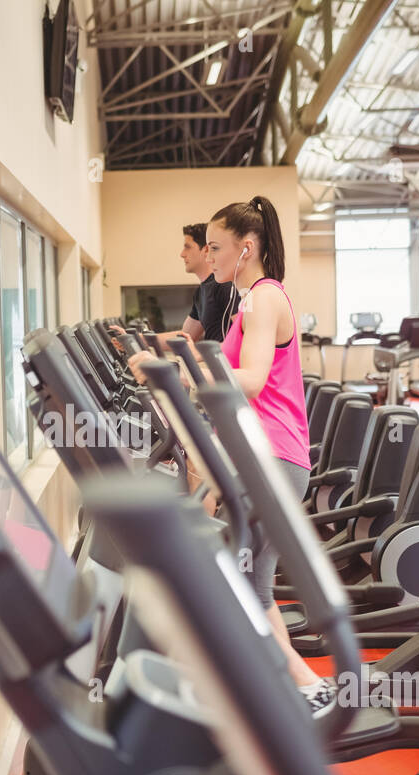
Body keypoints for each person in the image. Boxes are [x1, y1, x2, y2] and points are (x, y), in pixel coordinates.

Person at [131, 197, 335, 717]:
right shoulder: (250, 301)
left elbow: (252, 378)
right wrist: (179, 360)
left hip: (274, 455)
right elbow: (223, 364)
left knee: (246, 583)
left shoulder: (264, 299)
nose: (209, 256)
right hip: (261, 453)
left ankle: (291, 689)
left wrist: (177, 373)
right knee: (249, 584)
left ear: (246, 250)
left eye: (217, 248)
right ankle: (300, 687)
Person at [179, 223, 232, 343]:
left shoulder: (224, 284)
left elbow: (244, 337)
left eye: (187, 247)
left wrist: (198, 354)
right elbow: (184, 337)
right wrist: (142, 339)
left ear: (205, 249)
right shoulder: (200, 292)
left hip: (224, 361)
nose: (182, 254)